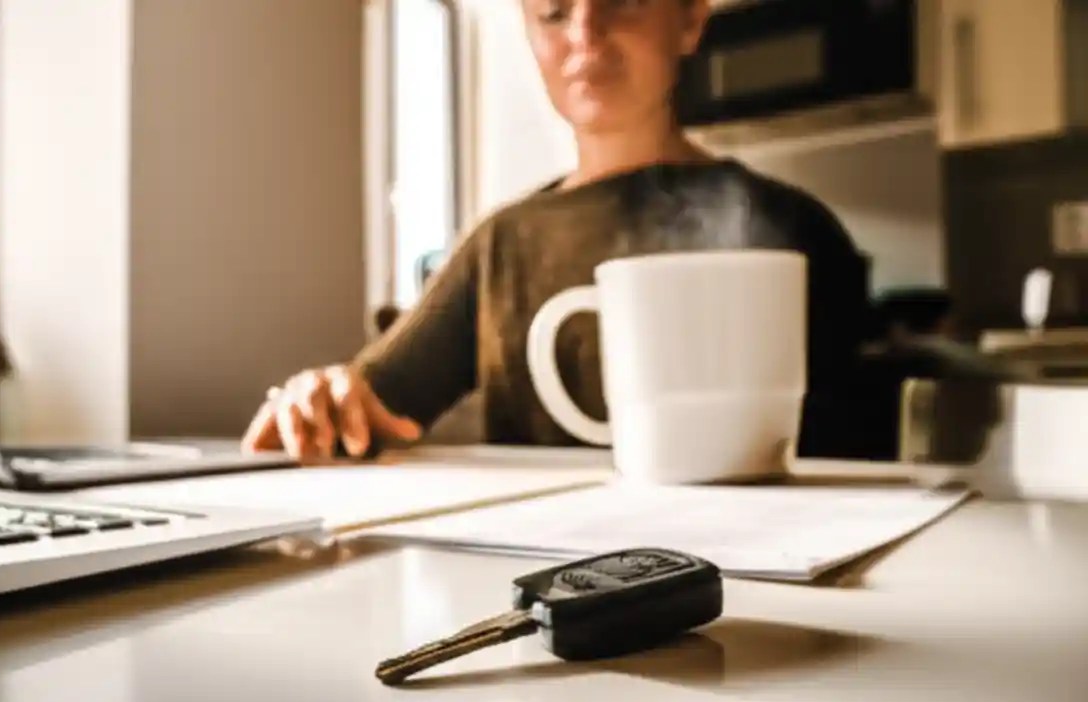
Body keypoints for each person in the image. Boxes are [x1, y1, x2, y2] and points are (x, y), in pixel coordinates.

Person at [242, 0, 870, 460]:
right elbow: (369, 408)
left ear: (691, 17)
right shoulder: (501, 246)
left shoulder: (793, 230)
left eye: (620, 2)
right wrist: (321, 399)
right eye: (554, 13)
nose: (586, 35)